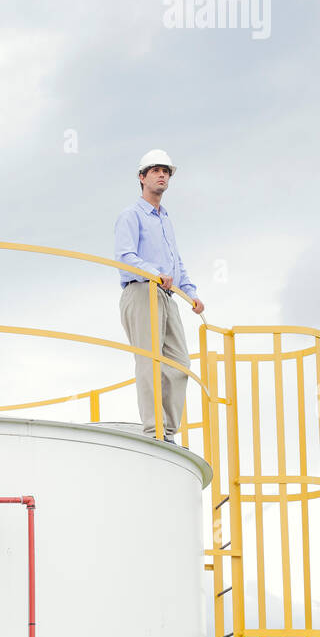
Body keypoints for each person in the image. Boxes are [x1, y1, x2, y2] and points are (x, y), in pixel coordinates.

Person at [114, 150, 205, 443]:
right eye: (155, 170)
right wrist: (153, 272)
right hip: (141, 290)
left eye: (166, 171)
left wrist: (191, 294)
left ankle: (167, 430)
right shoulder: (131, 215)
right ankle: (154, 430)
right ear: (142, 177)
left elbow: (175, 261)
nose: (162, 175)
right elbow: (125, 256)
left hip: (166, 295)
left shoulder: (165, 219)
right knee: (149, 360)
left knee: (179, 362)